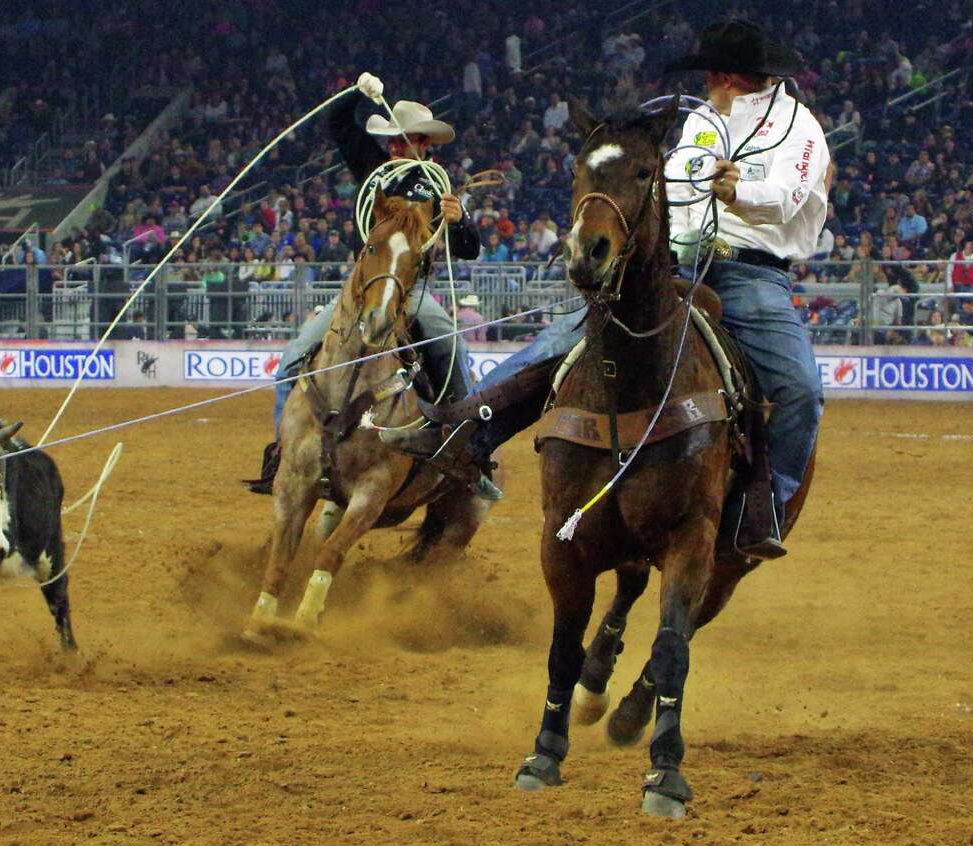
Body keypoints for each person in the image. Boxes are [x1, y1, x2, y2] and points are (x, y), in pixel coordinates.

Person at [381, 19, 827, 560]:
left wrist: (741, 193)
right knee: (558, 343)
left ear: (735, 75)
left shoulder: (798, 127)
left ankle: (767, 506)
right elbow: (672, 185)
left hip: (749, 273)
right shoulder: (705, 121)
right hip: (675, 263)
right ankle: (464, 435)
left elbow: (790, 194)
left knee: (799, 387)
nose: (708, 79)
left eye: (714, 71)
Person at [245, 72, 486, 496]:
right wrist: (357, 93)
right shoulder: (373, 171)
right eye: (392, 139)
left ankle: (465, 450)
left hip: (410, 293)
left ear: (424, 143)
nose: (397, 146)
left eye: (406, 139)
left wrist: (459, 220)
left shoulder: (440, 188)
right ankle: (282, 453)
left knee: (452, 348)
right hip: (359, 292)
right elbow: (338, 124)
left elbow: (468, 249)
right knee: (292, 359)